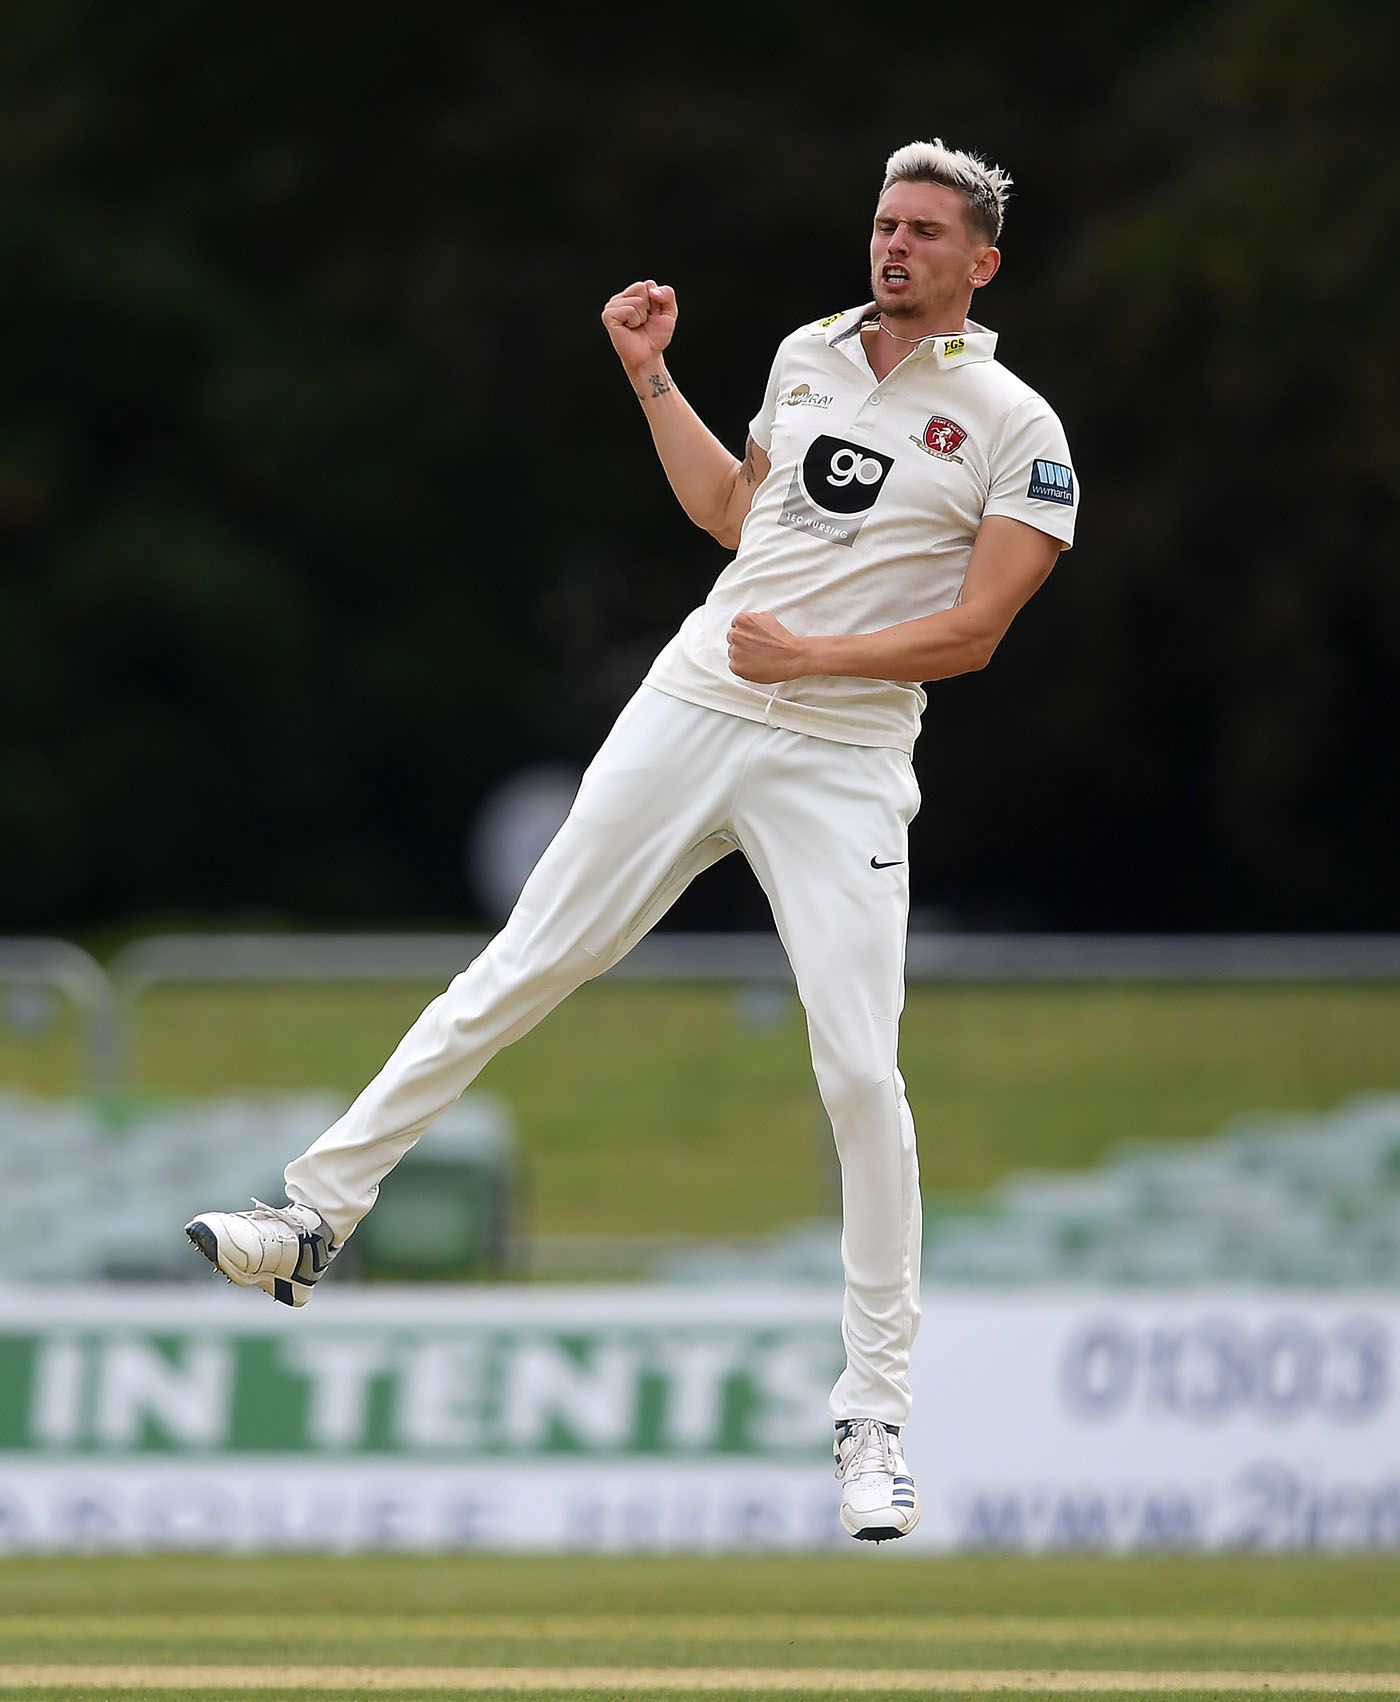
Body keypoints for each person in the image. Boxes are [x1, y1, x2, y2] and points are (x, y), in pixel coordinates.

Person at [186, 137, 1080, 1543]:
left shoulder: (1019, 425)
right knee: (526, 960)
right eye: (884, 224)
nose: (893, 247)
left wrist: (819, 659)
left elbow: (974, 633)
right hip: (699, 692)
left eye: (924, 232)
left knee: (856, 1065)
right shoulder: (806, 351)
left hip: (843, 754)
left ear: (982, 262)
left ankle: (877, 1416)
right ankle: (311, 1220)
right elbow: (735, 513)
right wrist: (651, 377)